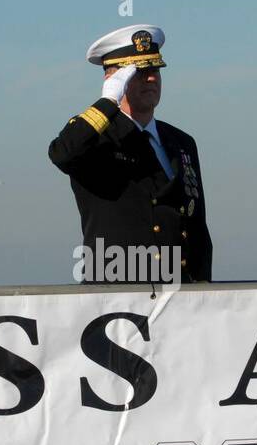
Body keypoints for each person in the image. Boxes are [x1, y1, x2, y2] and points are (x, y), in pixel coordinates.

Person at [48, 24, 213, 283]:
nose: (151, 78)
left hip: (180, 298)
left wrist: (204, 291)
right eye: (139, 72)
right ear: (114, 80)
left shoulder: (181, 142)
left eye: (155, 70)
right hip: (117, 293)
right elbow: (62, 154)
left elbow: (197, 228)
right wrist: (107, 103)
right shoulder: (96, 138)